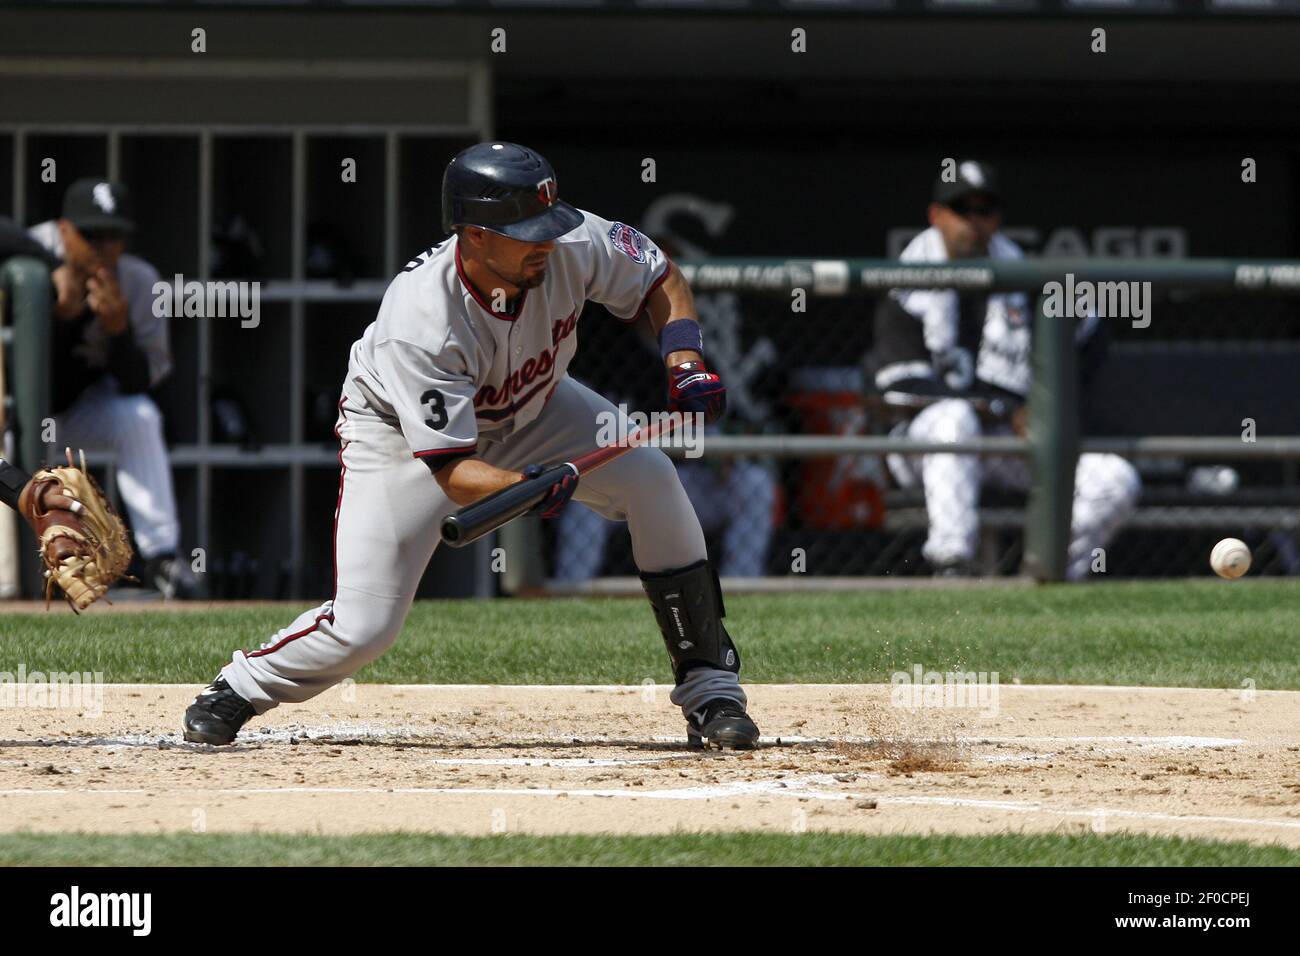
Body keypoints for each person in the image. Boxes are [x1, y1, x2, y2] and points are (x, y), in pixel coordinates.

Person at [181, 142, 762, 750]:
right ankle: (240, 684)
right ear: (475, 236)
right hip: (402, 438)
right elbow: (456, 474)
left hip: (536, 403)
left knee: (651, 480)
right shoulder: (421, 321)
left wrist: (686, 360)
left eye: (549, 224)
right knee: (367, 626)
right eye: (525, 231)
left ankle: (711, 688)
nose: (545, 242)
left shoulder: (571, 242)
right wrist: (529, 489)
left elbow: (658, 276)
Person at [863, 160, 1140, 580]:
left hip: (1008, 443)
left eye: (985, 211)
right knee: (953, 419)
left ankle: (1045, 574)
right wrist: (995, 407)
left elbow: (1090, 332)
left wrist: (1049, 405)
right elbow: (902, 392)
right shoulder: (906, 287)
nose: (974, 222)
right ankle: (951, 566)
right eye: (962, 210)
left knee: (1116, 479)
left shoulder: (1023, 281)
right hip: (925, 447)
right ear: (936, 216)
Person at [28, 178, 198, 598]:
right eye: (91, 235)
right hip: (21, 418)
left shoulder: (138, 281)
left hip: (83, 412)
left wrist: (119, 332)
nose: (103, 248)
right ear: (64, 231)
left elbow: (142, 382)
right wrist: (58, 317)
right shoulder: (35, 256)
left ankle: (162, 557)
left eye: (114, 236)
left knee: (138, 416)